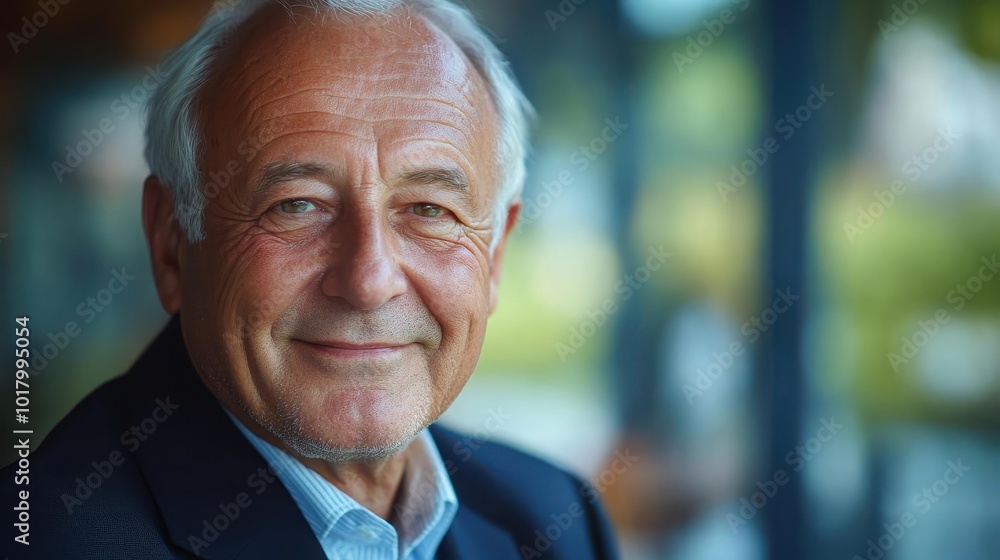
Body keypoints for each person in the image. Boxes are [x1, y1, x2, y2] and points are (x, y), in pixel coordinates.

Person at [2, 0, 618, 558]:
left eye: (431, 210)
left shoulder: (556, 521)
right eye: (296, 205)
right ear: (171, 246)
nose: (370, 280)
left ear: (495, 256)